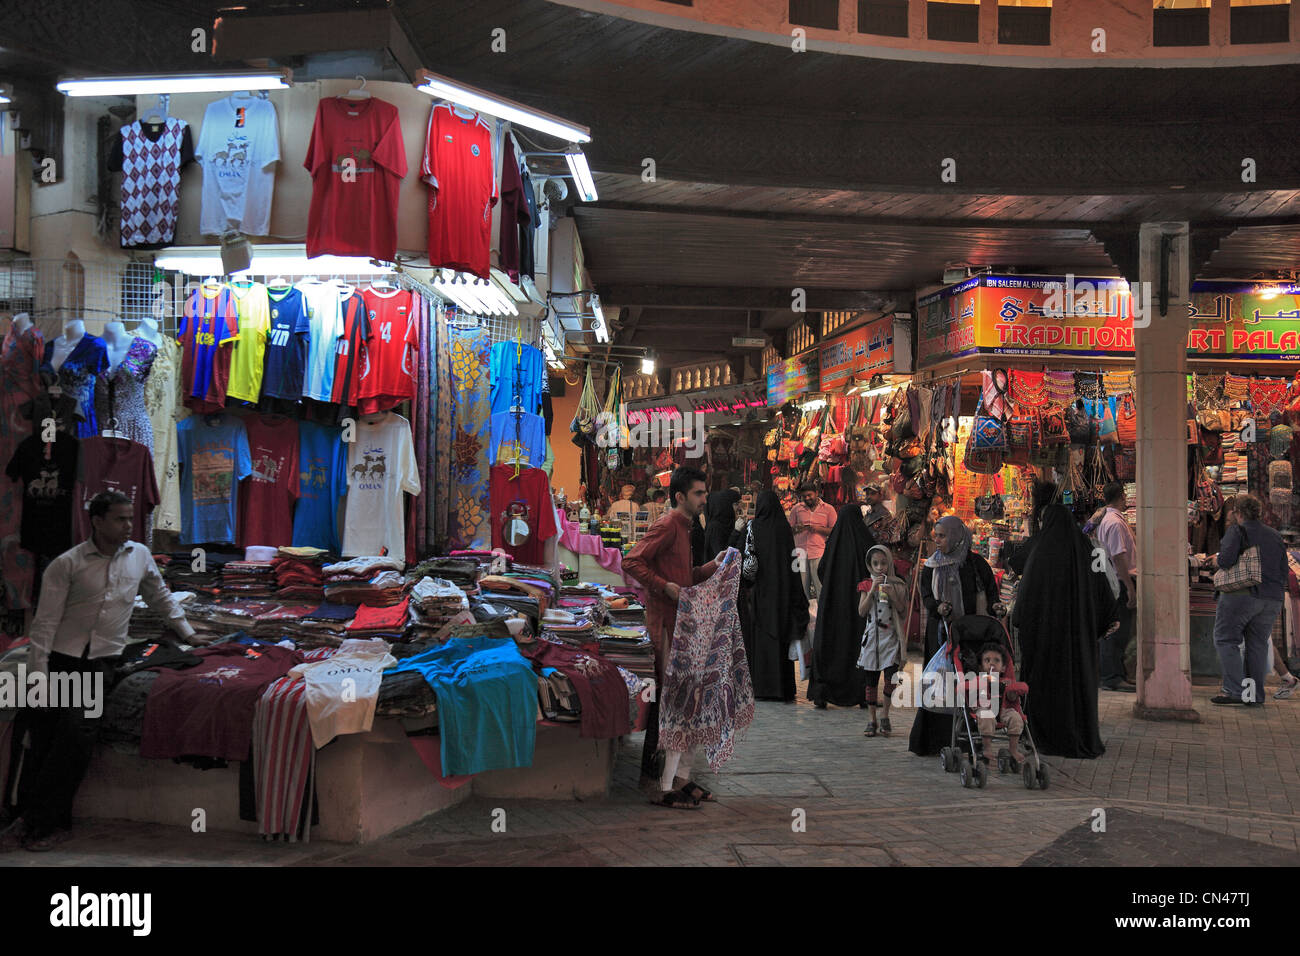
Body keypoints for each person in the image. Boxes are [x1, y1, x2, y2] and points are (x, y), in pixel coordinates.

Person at [0, 491, 195, 852]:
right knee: (44, 739)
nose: (127, 526)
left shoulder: (139, 556)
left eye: (129, 519)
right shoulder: (68, 564)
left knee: (74, 739)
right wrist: (38, 673)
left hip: (101, 662)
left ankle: (42, 822)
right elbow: (44, 623)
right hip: (62, 658)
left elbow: (160, 596)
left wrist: (188, 633)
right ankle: (28, 816)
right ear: (98, 521)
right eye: (119, 519)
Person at [623, 466, 726, 808]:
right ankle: (659, 785)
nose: (704, 498)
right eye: (698, 493)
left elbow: (684, 577)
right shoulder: (668, 524)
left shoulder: (685, 528)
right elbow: (632, 561)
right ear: (680, 496)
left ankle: (678, 780)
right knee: (672, 705)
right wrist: (663, 587)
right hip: (666, 627)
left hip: (682, 626)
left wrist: (712, 567)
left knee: (685, 706)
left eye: (704, 492)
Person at [1011, 500, 1117, 758]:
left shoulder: (1040, 551)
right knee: (1077, 683)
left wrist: (1020, 622)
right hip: (1079, 640)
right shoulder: (1088, 551)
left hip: (1045, 640)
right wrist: (1104, 622)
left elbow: (1025, 599)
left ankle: (1043, 735)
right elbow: (1104, 592)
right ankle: (1079, 733)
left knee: (1044, 685)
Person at [908, 515, 1000, 756]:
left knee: (970, 685)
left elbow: (991, 594)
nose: (937, 540)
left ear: (957, 537)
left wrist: (997, 608)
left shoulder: (976, 564)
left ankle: (970, 736)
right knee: (941, 685)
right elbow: (926, 596)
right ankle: (937, 739)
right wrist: (937, 607)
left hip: (972, 636)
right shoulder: (931, 566)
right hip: (941, 635)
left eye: (942, 535)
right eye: (935, 535)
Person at [1208, 493, 1290, 706]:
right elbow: (1283, 568)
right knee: (1257, 644)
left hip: (1242, 596)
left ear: (1239, 513)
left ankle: (1235, 691)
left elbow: (1225, 561)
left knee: (1226, 640)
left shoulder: (1238, 531)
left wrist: (1216, 559)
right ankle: (1253, 696)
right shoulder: (1274, 535)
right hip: (1271, 599)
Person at [741, 490, 810, 702]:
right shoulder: (783, 528)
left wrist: (748, 584)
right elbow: (792, 562)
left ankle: (763, 687)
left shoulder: (753, 527)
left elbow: (749, 565)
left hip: (762, 593)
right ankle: (784, 688)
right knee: (781, 637)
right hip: (783, 593)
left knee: (763, 638)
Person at [808, 503, 874, 709]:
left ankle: (822, 693)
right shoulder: (865, 539)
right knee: (857, 645)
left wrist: (831, 585)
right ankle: (862, 693)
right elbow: (876, 565)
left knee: (829, 642)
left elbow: (822, 569)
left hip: (832, 605)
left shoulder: (834, 541)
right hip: (858, 604)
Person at [856, 544, 907, 737]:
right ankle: (872, 718)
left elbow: (903, 611)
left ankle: (885, 714)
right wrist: (871, 591)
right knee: (870, 681)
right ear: (870, 565)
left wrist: (893, 595)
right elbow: (861, 611)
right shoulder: (866, 584)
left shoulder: (898, 584)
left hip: (891, 638)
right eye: (876, 563)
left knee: (890, 678)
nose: (880, 567)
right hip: (871, 638)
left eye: (883, 563)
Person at [1094, 482, 1137, 692]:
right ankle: (1112, 676)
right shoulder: (1115, 523)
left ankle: (1113, 674)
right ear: (1121, 496)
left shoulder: (1105, 519)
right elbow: (1119, 556)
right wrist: (1129, 587)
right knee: (1118, 631)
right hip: (1119, 581)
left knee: (1114, 629)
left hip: (1112, 580)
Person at [974, 643, 1026, 768]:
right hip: (985, 709)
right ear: (981, 667)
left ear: (1003, 668)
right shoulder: (978, 679)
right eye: (987, 660)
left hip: (1004, 710)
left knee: (1016, 718)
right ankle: (987, 748)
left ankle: (1013, 748)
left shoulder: (1006, 681)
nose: (991, 664)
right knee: (986, 716)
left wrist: (1011, 689)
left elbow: (1012, 699)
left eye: (996, 661)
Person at [788, 484, 837, 599]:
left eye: (809, 495)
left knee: (820, 587)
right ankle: (803, 616)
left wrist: (818, 529)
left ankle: (821, 615)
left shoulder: (828, 509)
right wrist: (796, 529)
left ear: (817, 493)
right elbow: (788, 531)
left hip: (819, 553)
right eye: (804, 496)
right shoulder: (796, 509)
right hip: (799, 552)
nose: (807, 498)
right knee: (800, 589)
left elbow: (834, 531)